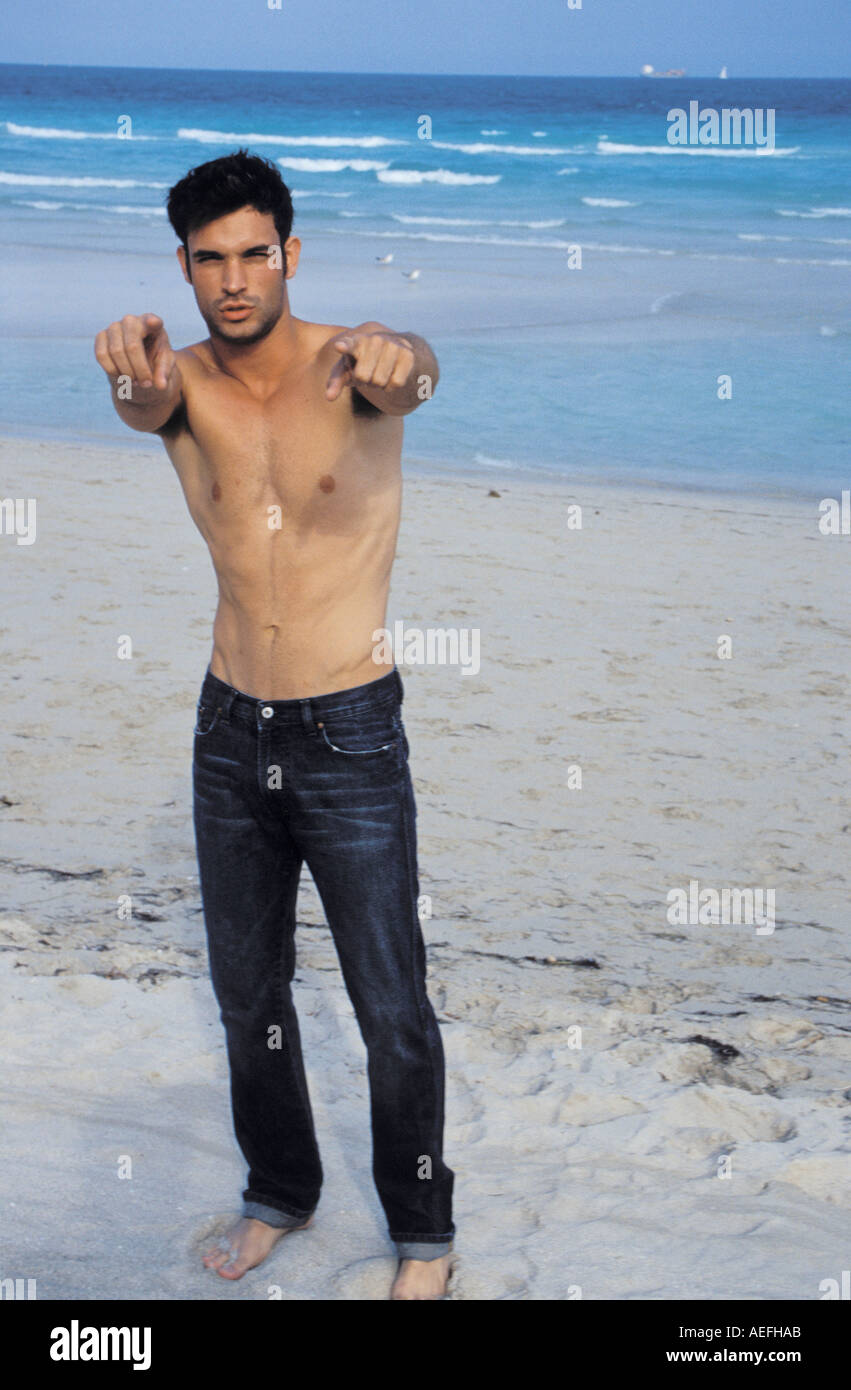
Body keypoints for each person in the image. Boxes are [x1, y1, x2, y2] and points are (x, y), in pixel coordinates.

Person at [93, 149, 455, 1300]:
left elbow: (412, 378)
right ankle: (280, 1193)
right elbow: (141, 402)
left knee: (387, 998)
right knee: (247, 995)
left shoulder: (355, 363)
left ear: (289, 254)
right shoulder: (178, 383)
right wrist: (125, 370)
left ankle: (424, 1233)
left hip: (347, 728)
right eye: (211, 260)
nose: (236, 278)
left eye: (256, 254)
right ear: (186, 268)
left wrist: (411, 357)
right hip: (225, 728)